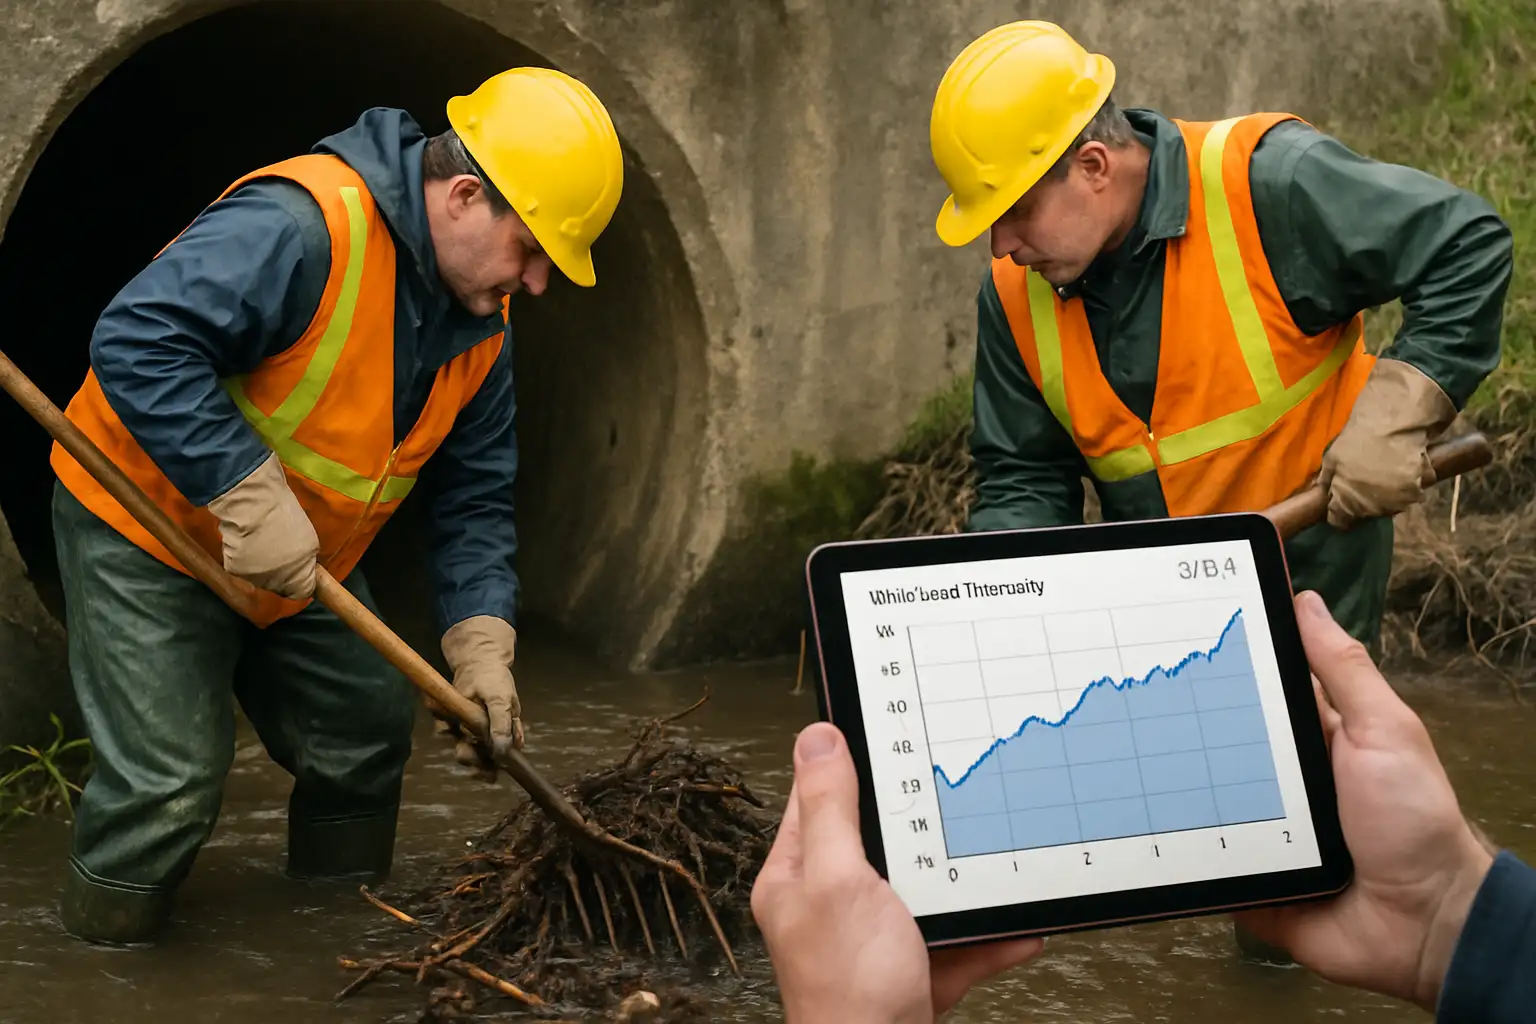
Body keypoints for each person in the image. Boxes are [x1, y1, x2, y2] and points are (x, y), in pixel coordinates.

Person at [45, 67, 624, 946]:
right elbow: (137, 336)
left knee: (363, 730)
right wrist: (241, 490)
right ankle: (99, 958)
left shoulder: (483, 325)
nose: (537, 283)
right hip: (147, 524)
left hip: (298, 563)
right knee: (169, 784)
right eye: (533, 250)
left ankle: (334, 939)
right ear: (465, 195)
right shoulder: (302, 225)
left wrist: (481, 643)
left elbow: (473, 495)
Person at [930, 21, 1513, 651]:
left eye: (1016, 211)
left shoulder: (1269, 185)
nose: (1002, 246)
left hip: (1314, 612)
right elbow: (1024, 477)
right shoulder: (1015, 294)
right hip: (1155, 634)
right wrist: (1012, 605)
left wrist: (1397, 418)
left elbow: (1464, 246)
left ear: (1093, 165)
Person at [751, 591, 1536, 1023]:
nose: (1034, 277)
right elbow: (1021, 469)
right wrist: (1455, 918)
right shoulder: (1018, 308)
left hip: (1223, 580)